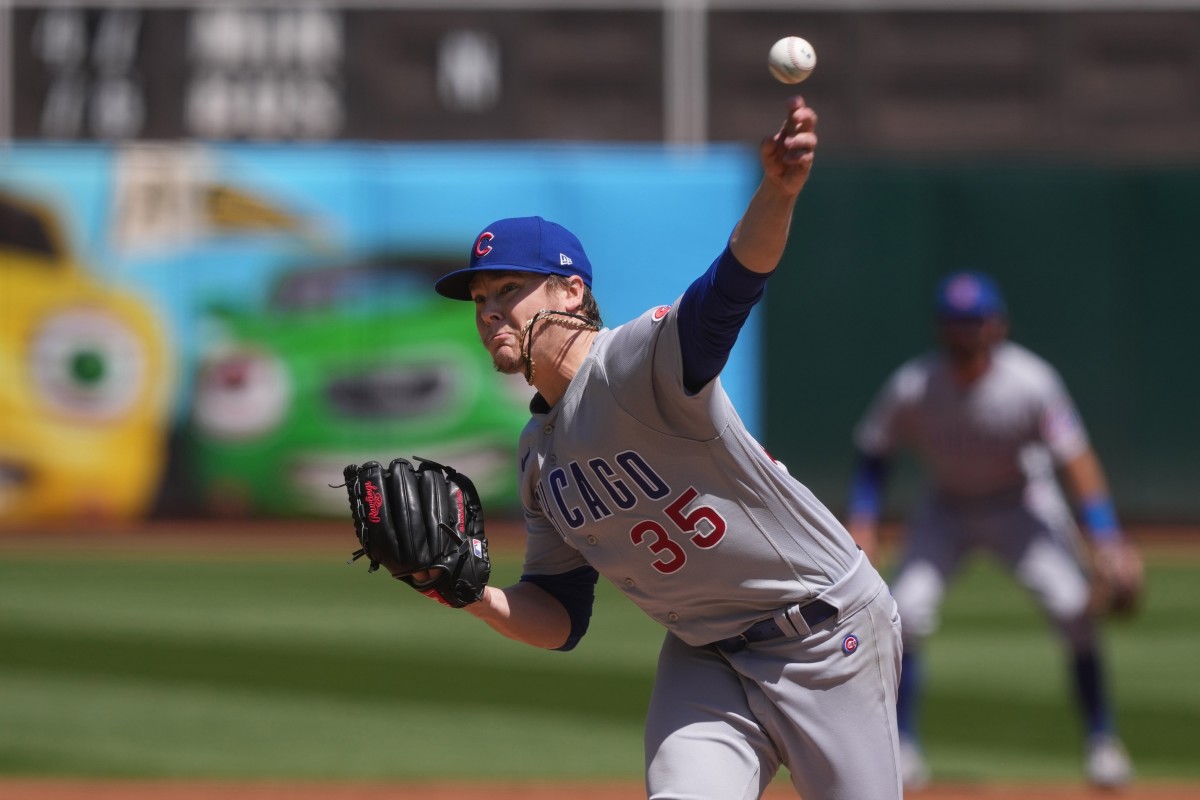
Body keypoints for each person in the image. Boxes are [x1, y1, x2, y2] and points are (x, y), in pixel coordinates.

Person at [427, 96, 904, 800]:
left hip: (824, 635)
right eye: (479, 299)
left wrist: (778, 190)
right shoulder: (539, 458)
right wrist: (465, 593)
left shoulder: (635, 362)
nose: (491, 308)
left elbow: (732, 287)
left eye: (509, 288)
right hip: (705, 659)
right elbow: (559, 615)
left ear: (569, 291)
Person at [845, 271, 1143, 790]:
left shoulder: (1031, 382)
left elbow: (1076, 460)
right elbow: (875, 449)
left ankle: (1102, 742)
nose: (965, 333)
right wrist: (864, 522)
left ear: (997, 326)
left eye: (974, 321)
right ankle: (903, 746)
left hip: (1020, 506)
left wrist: (1106, 538)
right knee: (906, 613)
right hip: (946, 509)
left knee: (1075, 610)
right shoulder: (915, 385)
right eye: (956, 322)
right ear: (941, 328)